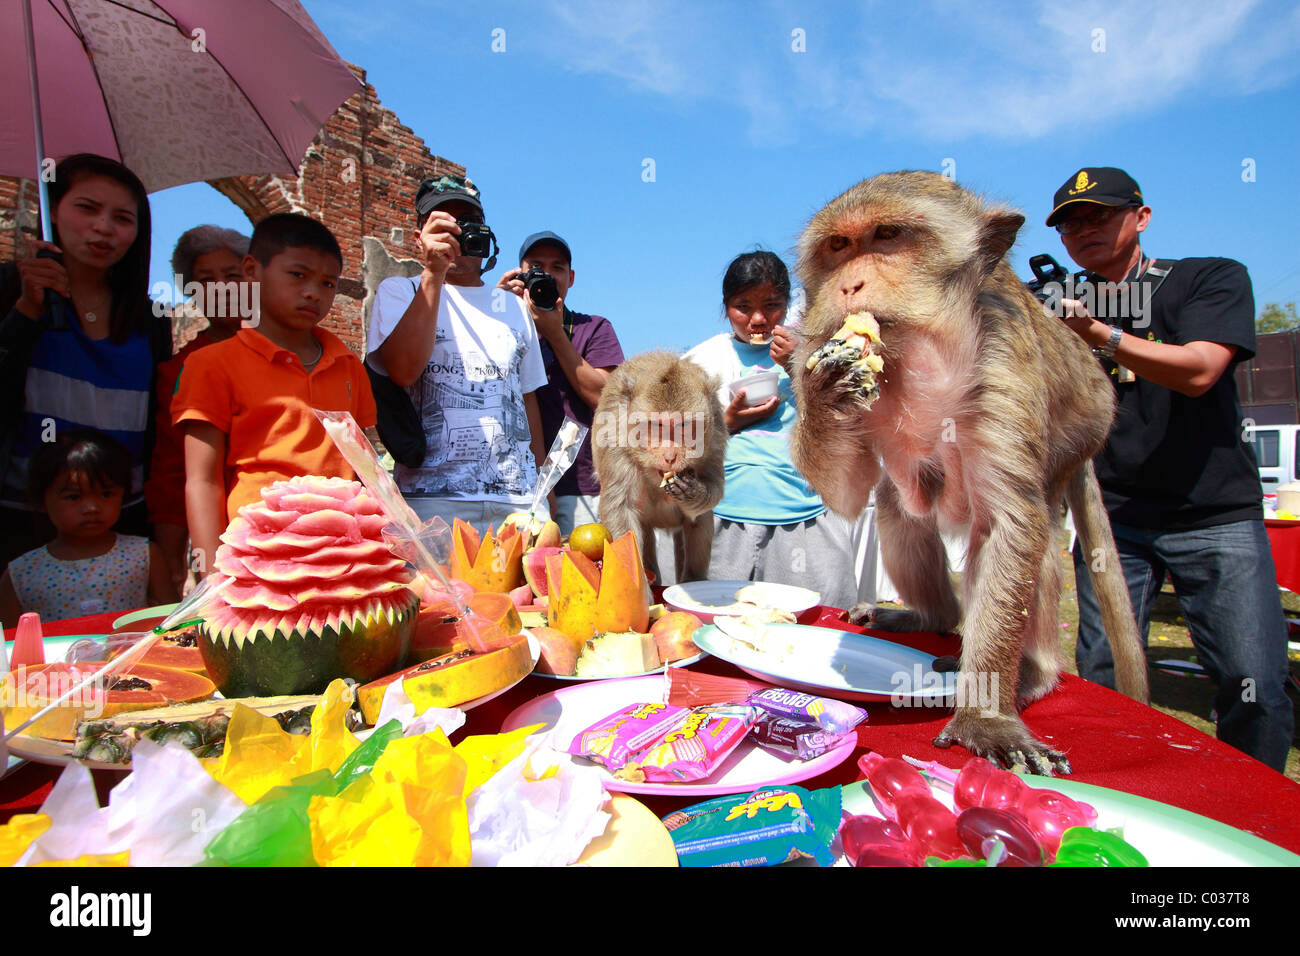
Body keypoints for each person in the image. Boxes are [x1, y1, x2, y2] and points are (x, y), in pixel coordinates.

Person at [1048, 166, 1293, 772]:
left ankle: (1254, 812)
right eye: (1069, 222)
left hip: (1213, 514)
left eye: (1098, 214)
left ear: (1142, 216)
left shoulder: (1207, 277)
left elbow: (1200, 371)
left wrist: (1098, 334)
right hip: (1113, 522)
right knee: (1103, 673)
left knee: (1252, 681)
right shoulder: (1050, 302)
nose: (1083, 229)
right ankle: (1120, 790)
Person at [173, 213, 376, 576]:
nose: (314, 292)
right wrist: (212, 573)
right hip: (257, 556)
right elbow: (202, 480)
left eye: (328, 283)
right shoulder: (210, 364)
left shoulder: (349, 366)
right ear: (251, 270)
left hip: (342, 552)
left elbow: (366, 468)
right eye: (298, 275)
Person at [0, 154, 173, 573]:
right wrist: (24, 313)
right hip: (21, 518)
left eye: (122, 218)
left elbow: (156, 422)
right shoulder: (8, 288)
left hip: (123, 520)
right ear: (54, 211)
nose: (104, 228)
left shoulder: (148, 320)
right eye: (87, 208)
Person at [366, 175, 546, 532]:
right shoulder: (399, 292)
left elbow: (527, 402)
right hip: (432, 500)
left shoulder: (513, 306)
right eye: (443, 223)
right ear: (420, 237)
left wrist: (544, 489)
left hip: (520, 500)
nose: (458, 233)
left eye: (467, 222)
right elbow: (402, 371)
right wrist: (434, 272)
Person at [681, 251, 859, 607]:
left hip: (804, 516)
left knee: (814, 631)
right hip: (722, 522)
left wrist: (801, 366)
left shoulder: (816, 349)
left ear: (788, 303)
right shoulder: (702, 360)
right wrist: (727, 423)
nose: (758, 319)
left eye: (772, 305)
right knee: (716, 633)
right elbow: (675, 446)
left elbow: (850, 416)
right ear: (725, 307)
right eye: (743, 307)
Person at [147, 225, 253, 588]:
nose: (221, 288)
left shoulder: (290, 354)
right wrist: (174, 559)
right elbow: (172, 468)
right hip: (221, 541)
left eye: (232, 275)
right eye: (205, 280)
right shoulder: (181, 368)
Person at [498, 231, 624, 534]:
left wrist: (555, 334)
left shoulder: (593, 327)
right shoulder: (503, 326)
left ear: (571, 278)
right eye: (537, 267)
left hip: (583, 488)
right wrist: (497, 308)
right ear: (520, 274)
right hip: (511, 487)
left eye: (557, 268)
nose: (549, 276)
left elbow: (604, 398)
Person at [1, 430, 175, 628]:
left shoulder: (144, 555)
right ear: (42, 500)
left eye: (106, 494)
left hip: (133, 659)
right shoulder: (22, 573)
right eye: (74, 497)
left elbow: (172, 622)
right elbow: (8, 644)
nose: (92, 508)